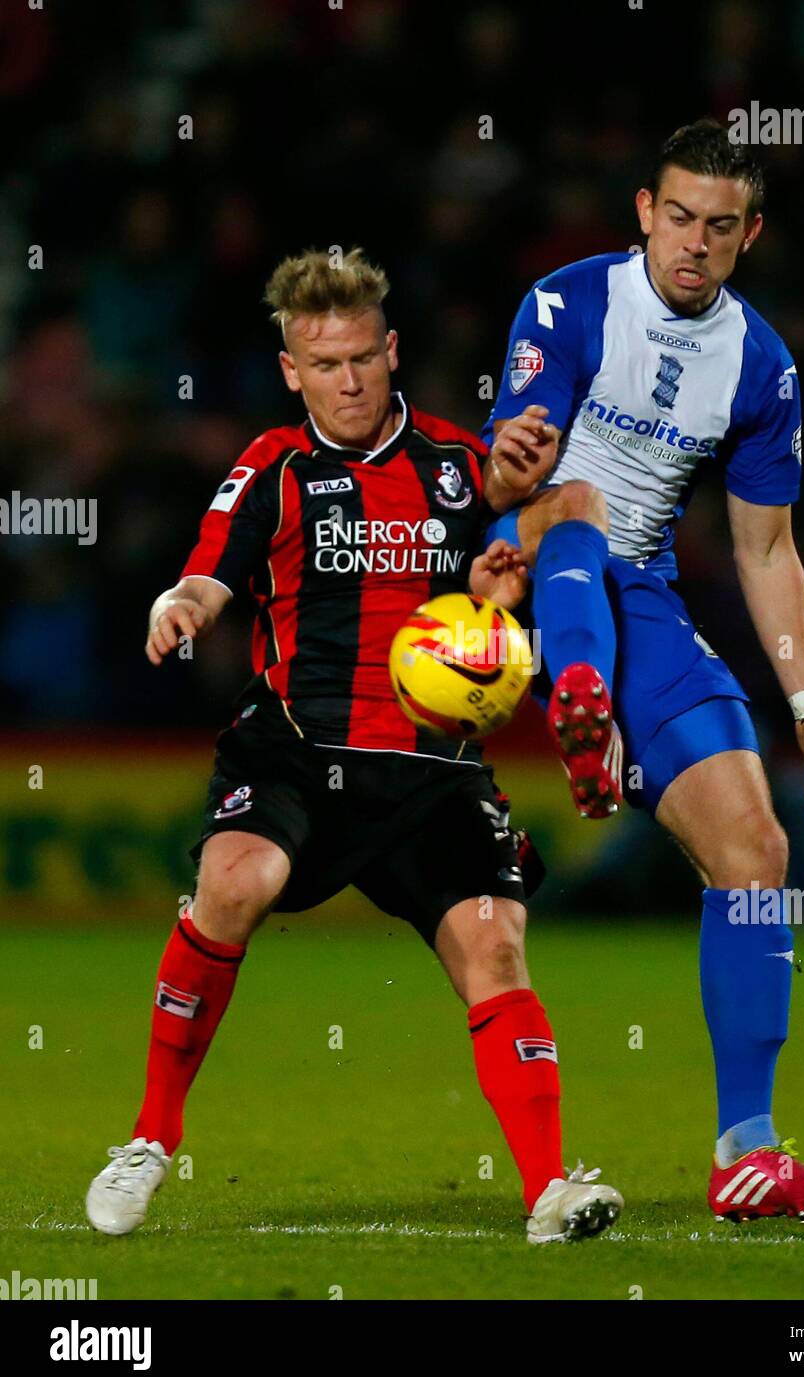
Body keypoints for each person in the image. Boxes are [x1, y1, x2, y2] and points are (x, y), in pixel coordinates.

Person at [85, 248, 622, 1245]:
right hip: (294, 749)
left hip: (432, 769)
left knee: (496, 951)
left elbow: (532, 557)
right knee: (236, 882)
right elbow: (206, 577)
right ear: (291, 369)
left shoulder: (463, 467)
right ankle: (150, 1139)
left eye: (362, 358)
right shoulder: (271, 469)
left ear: (391, 351)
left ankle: (549, 1190)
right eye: (322, 363)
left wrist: (518, 563)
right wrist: (178, 606)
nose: (346, 380)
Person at [482, 121, 804, 1224]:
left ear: (748, 237)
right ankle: (579, 703)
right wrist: (510, 464)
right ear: (644, 210)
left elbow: (764, 549)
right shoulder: (567, 302)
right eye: (678, 217)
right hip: (514, 564)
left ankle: (746, 1149)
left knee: (755, 847)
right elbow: (516, 465)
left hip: (635, 600)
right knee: (581, 508)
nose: (693, 244)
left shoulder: (763, 366)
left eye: (719, 227)